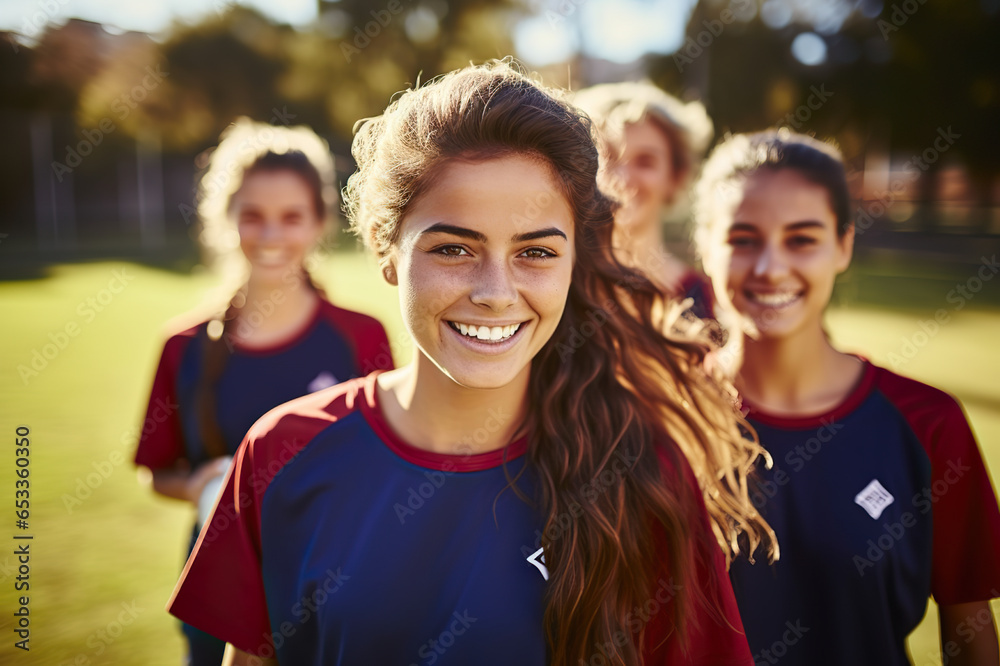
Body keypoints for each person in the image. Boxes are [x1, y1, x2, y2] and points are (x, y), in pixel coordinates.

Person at [167, 60, 774, 666]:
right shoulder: (283, 452)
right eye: (454, 248)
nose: (496, 292)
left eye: (535, 252)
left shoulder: (642, 475)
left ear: (572, 261)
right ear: (386, 246)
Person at [692, 129, 1000, 665]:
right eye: (743, 238)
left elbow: (969, 635)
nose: (770, 267)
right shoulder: (657, 413)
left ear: (843, 245)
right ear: (705, 247)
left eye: (801, 238)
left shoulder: (929, 424)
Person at [133, 118, 393, 665]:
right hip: (222, 586)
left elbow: (390, 461)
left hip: (340, 578)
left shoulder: (361, 336)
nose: (271, 235)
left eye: (291, 217)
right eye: (253, 216)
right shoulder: (184, 346)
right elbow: (156, 470)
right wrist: (203, 487)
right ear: (225, 219)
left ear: (319, 222)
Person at [573, 81, 715, 319]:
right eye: (605, 157)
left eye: (645, 161)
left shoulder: (709, 300)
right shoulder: (558, 287)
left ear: (676, 176)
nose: (622, 177)